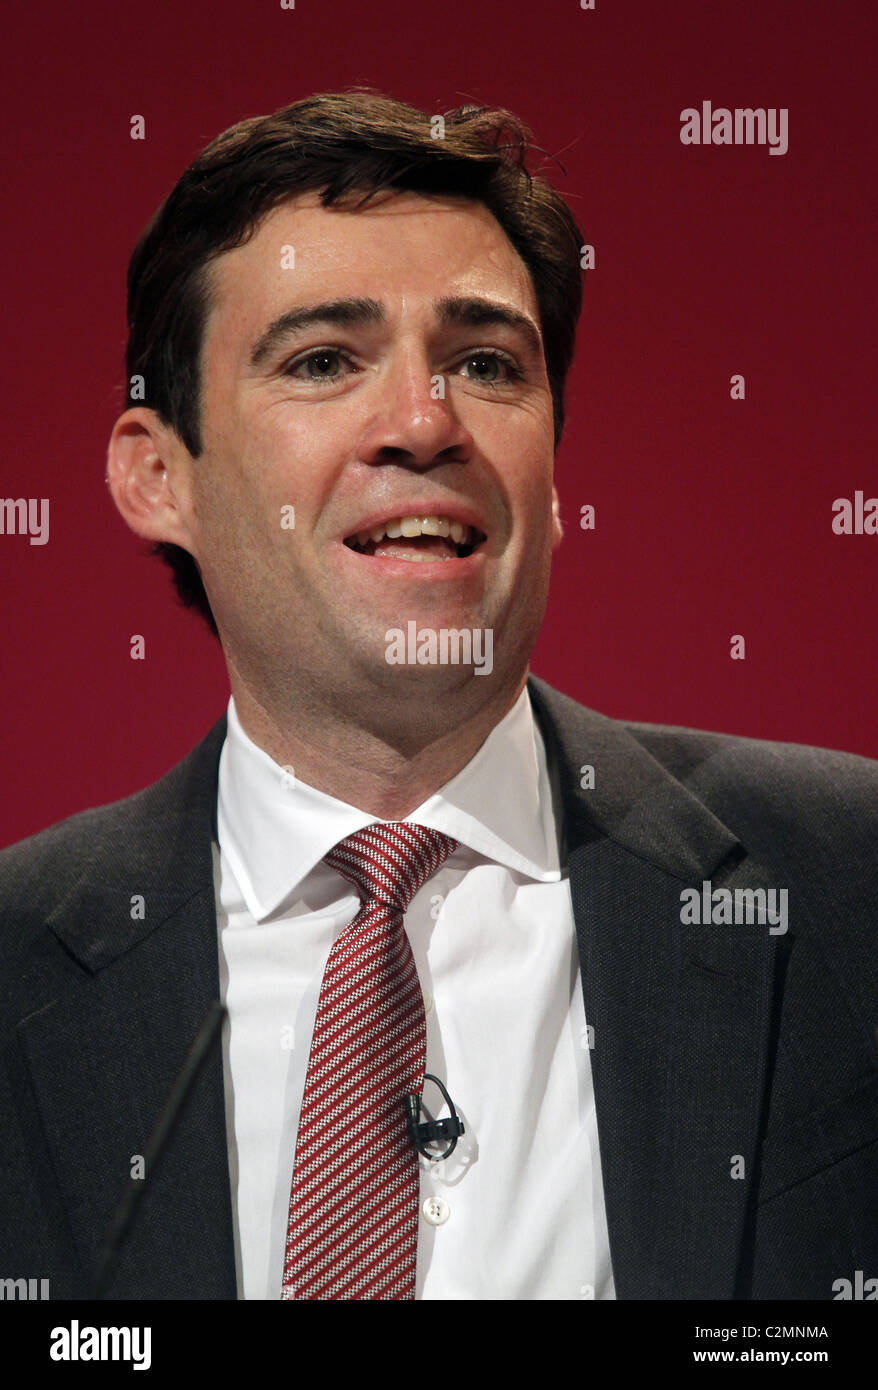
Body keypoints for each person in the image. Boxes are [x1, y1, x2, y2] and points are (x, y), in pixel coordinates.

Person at [0, 90, 875, 1303]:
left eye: (483, 363)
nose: (423, 421)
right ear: (161, 476)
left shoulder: (845, 882)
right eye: (320, 360)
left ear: (553, 474)